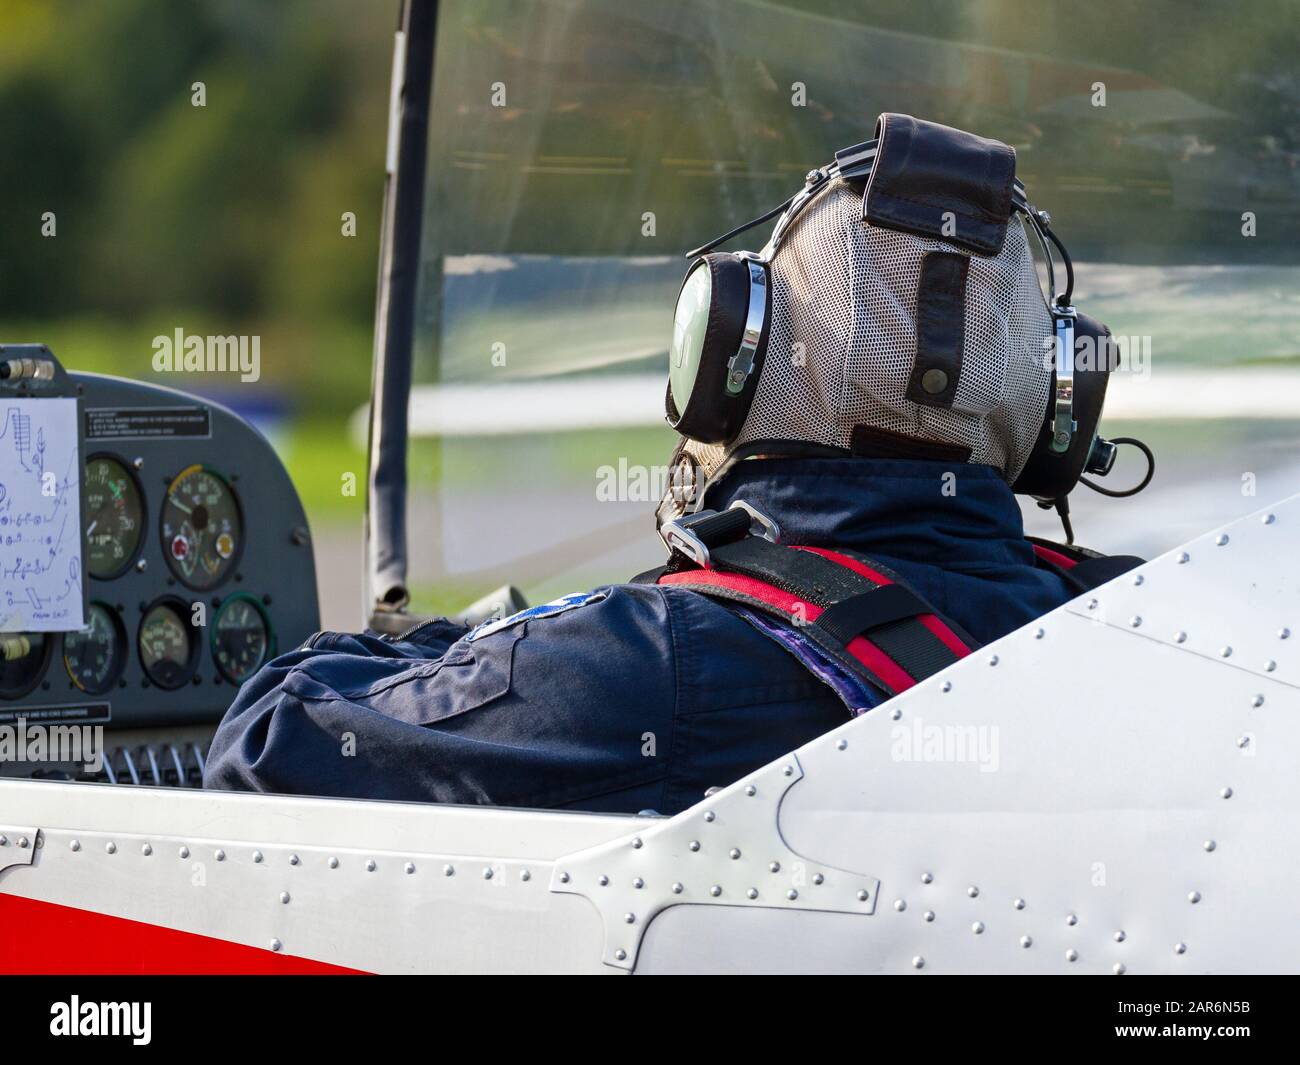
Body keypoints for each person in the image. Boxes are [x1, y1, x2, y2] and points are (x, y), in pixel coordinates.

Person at [204, 115, 1145, 814]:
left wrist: (463, 647)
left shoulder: (650, 663)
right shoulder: (1143, 621)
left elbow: (268, 743)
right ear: (1057, 405)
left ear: (723, 361)